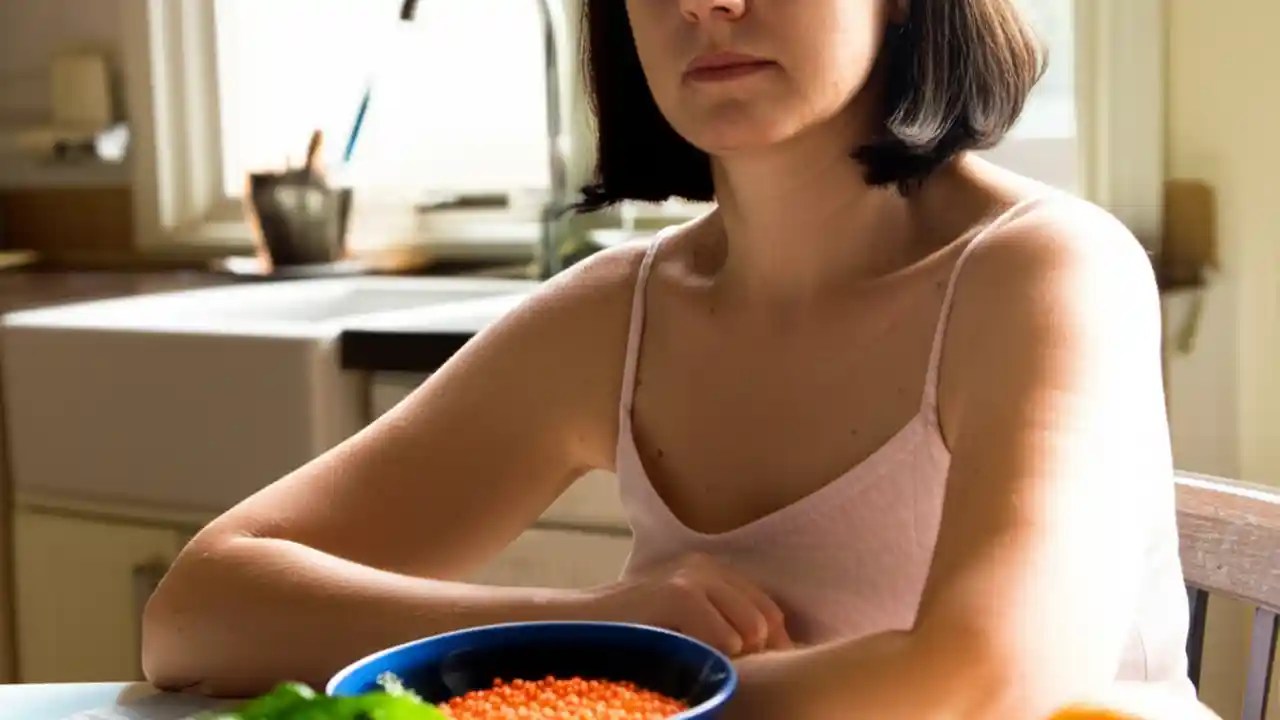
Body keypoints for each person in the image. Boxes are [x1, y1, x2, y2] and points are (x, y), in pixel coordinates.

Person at [143, 0, 1200, 717]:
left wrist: (633, 680)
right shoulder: (617, 316)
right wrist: (582, 629)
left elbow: (993, 684)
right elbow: (196, 614)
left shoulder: (1048, 273)